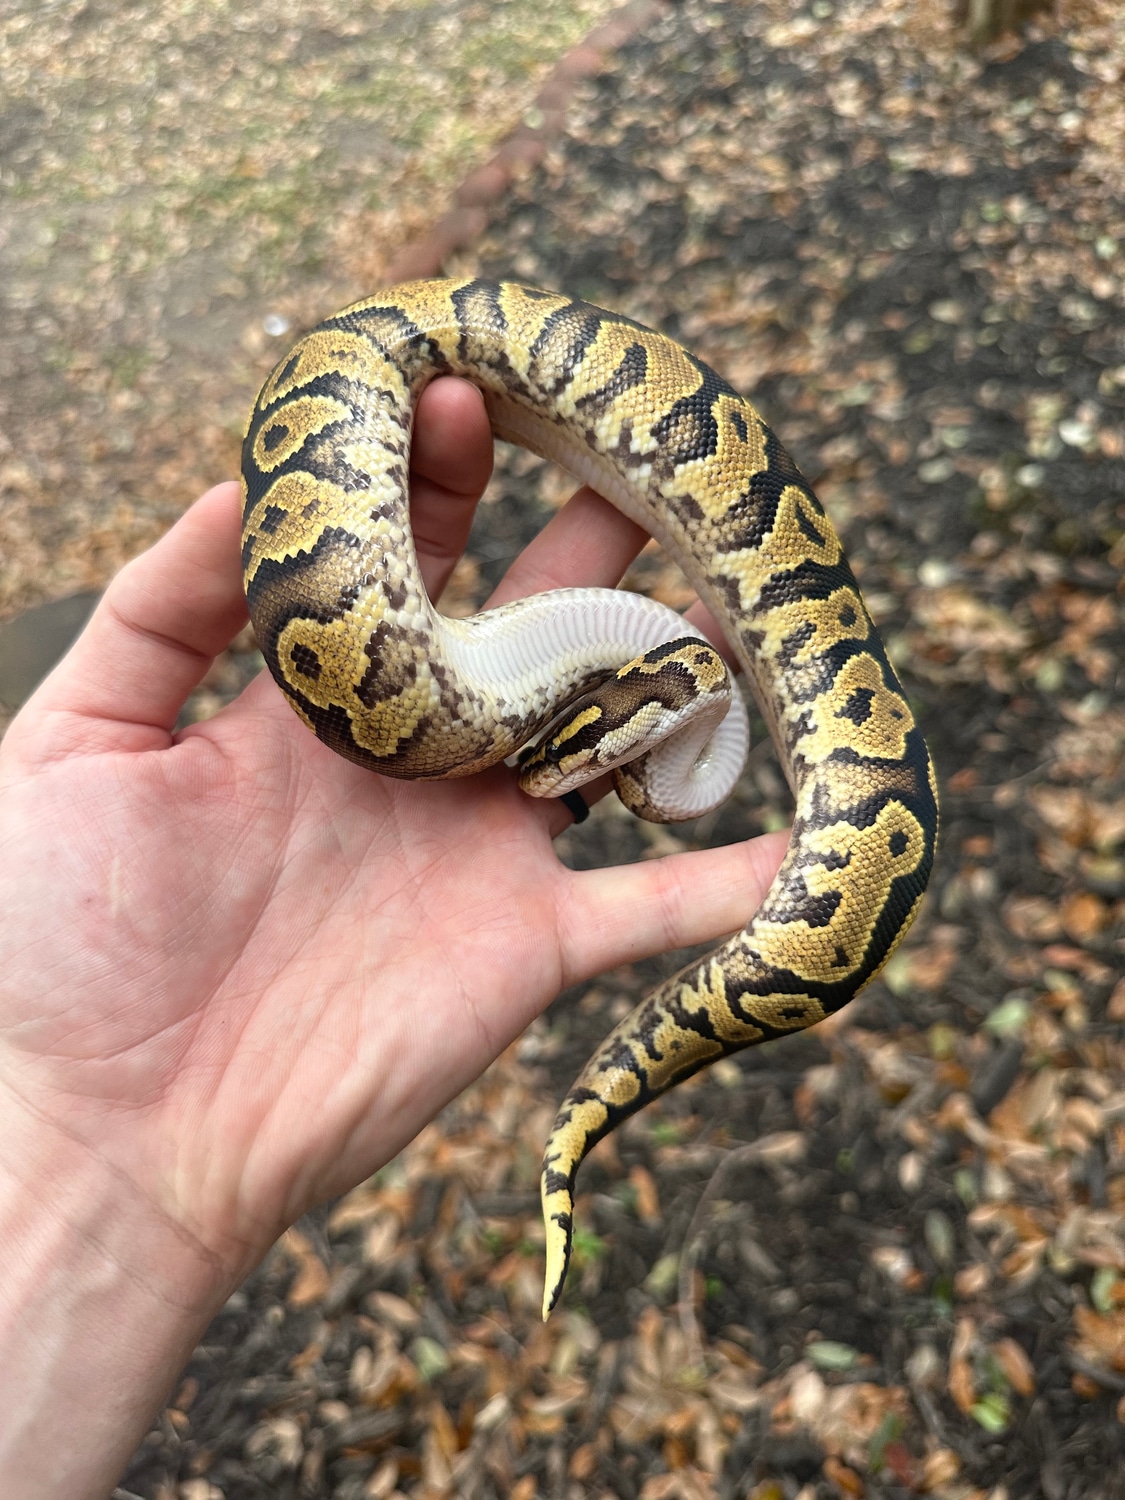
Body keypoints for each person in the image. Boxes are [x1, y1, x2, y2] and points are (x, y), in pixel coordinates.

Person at [0, 377, 787, 1497]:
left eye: (570, 762)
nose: (552, 781)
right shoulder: (612, 706)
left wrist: (83, 1166)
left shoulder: (649, 709)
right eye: (567, 763)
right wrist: (86, 1152)